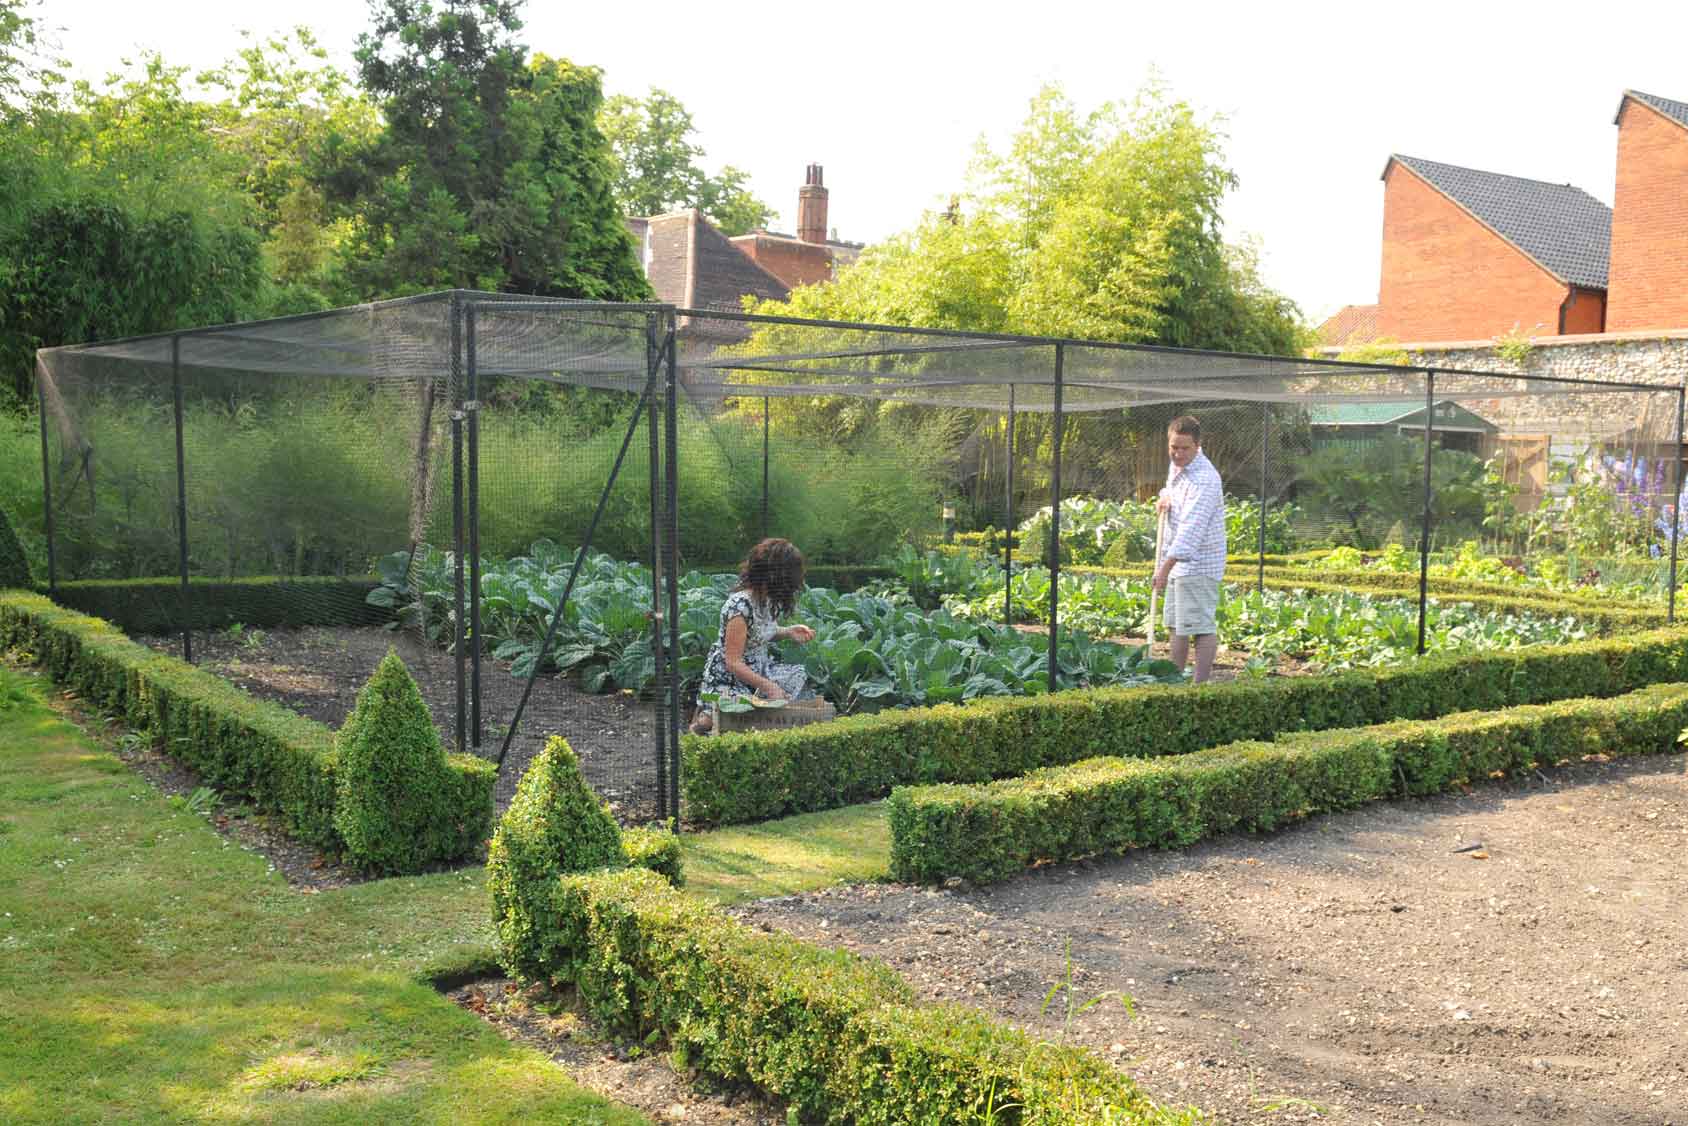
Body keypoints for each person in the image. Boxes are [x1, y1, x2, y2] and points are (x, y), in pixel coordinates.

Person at [690, 538, 816, 734]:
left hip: (759, 670)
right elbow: (732, 662)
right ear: (775, 575)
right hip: (729, 677)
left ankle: (713, 717)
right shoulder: (740, 606)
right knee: (730, 715)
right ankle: (703, 721)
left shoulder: (766, 600)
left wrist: (788, 631)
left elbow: (761, 634)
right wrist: (769, 687)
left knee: (796, 681)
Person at [1152, 416, 1226, 684]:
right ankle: (1175, 680)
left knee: (1199, 626)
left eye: (1184, 448)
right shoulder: (1178, 468)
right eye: (1173, 447)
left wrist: (1163, 568)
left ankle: (1199, 685)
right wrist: (1164, 497)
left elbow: (1191, 530)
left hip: (1198, 565)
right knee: (1176, 625)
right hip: (1178, 564)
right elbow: (1172, 490)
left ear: (1198, 445)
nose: (1178, 454)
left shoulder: (1205, 479)